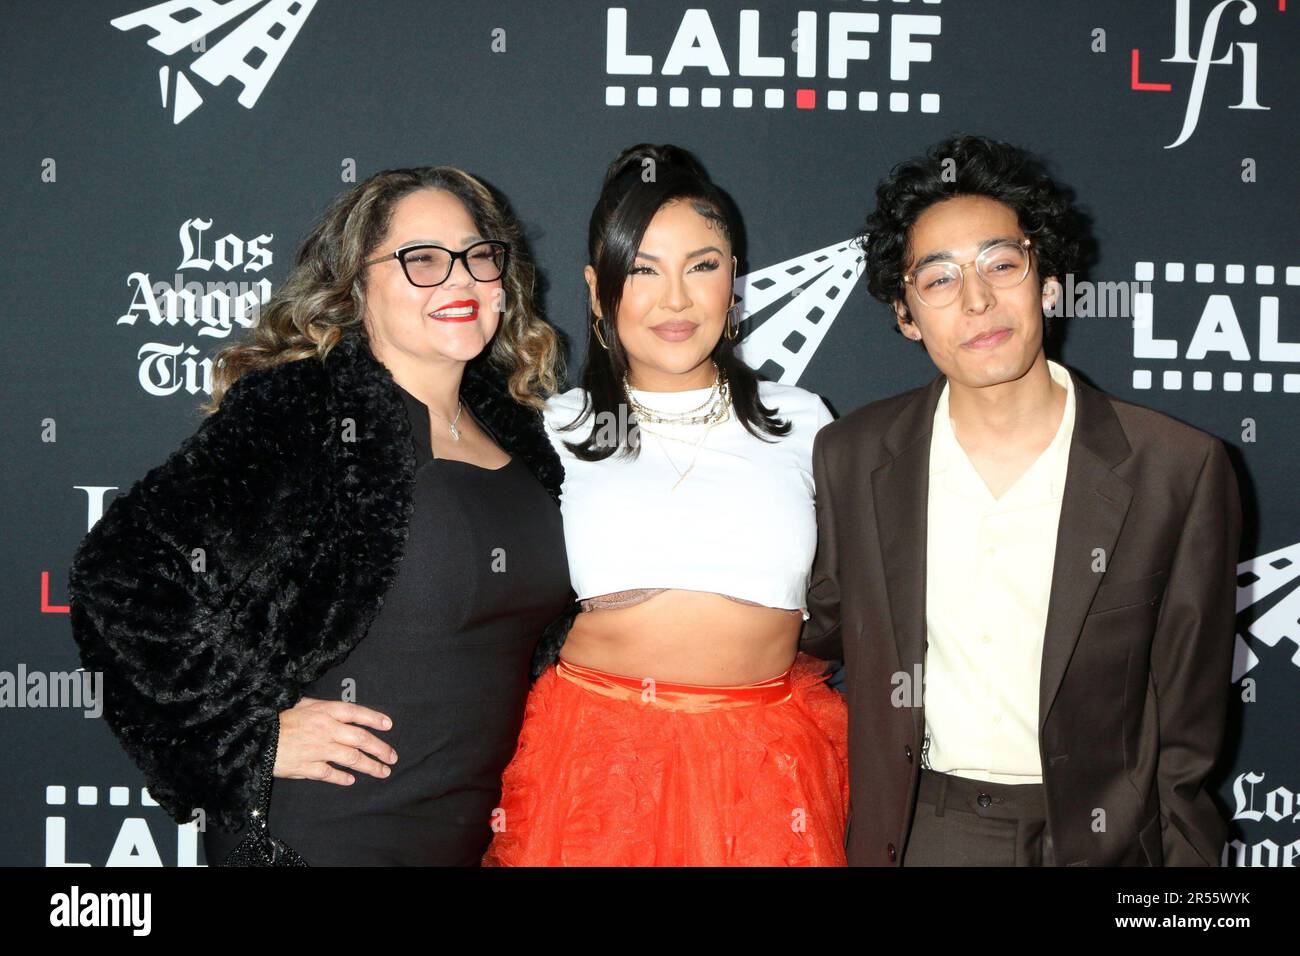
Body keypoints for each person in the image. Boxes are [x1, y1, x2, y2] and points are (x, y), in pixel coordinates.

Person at [67, 165, 572, 865]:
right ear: (356, 285)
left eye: (478, 256)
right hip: (323, 838)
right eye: (421, 259)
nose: (460, 280)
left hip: (468, 843)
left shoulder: (518, 435)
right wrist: (247, 733)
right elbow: (120, 573)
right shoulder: (310, 409)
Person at [800, 133, 1242, 866]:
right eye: (938, 280)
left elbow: (1190, 738)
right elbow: (812, 629)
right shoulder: (853, 456)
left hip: (1106, 839)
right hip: (926, 830)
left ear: (1049, 281)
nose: (977, 300)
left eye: (1001, 265)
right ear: (905, 314)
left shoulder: (1177, 468)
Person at [482, 144, 848, 867]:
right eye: (642, 269)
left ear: (733, 282)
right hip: (595, 766)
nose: (675, 299)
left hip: (767, 768)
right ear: (597, 289)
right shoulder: (553, 428)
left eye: (702, 266)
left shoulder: (803, 419)